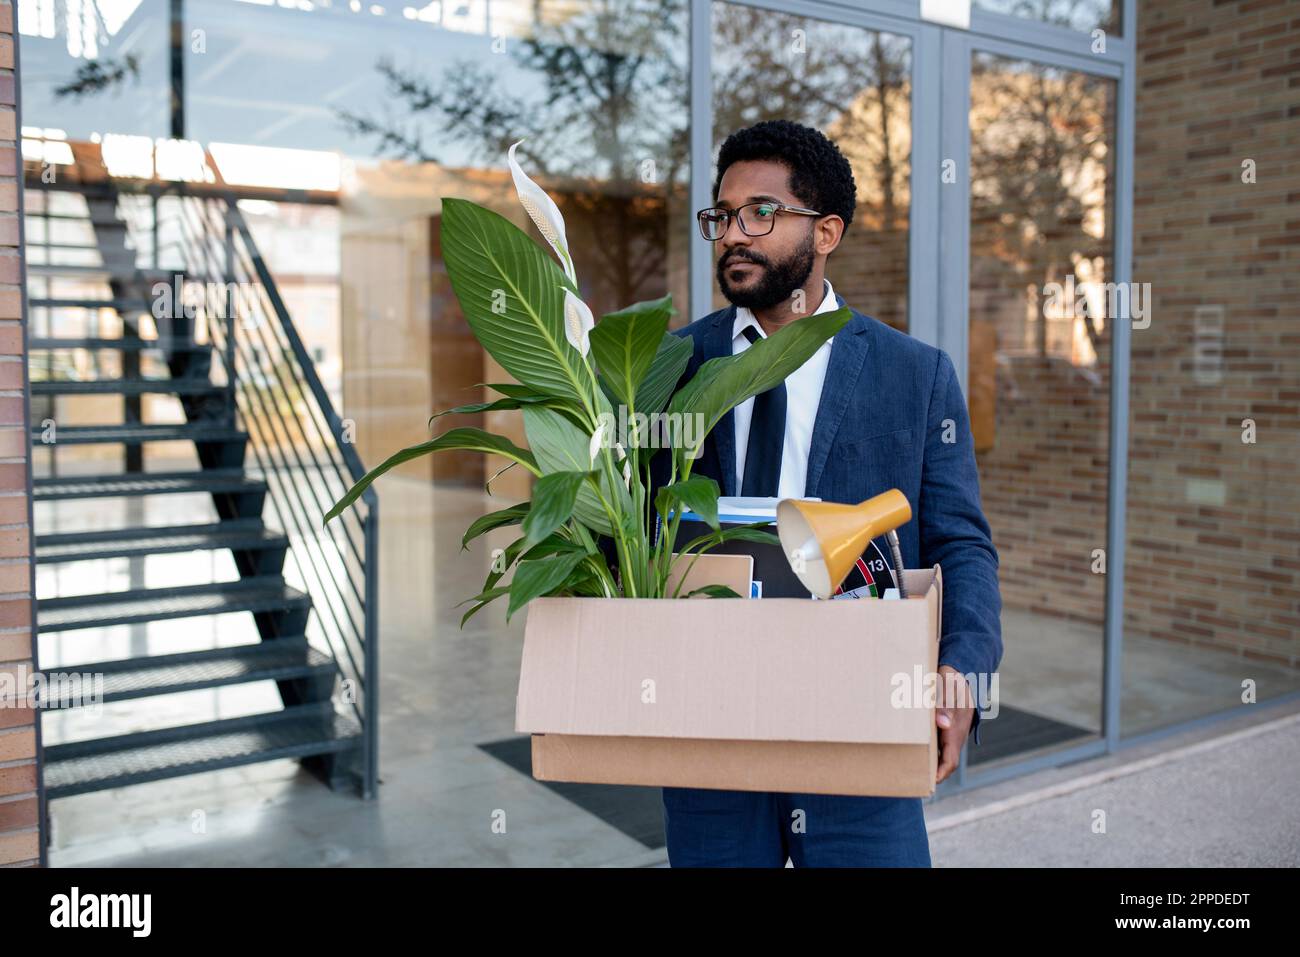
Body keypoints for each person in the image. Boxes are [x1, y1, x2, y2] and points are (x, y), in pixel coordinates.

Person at [650, 119, 1002, 867]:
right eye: (722, 215)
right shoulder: (669, 365)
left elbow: (961, 543)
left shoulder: (915, 373)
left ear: (828, 232)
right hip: (711, 732)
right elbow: (634, 532)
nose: (733, 234)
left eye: (761, 213)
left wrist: (961, 667)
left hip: (860, 725)